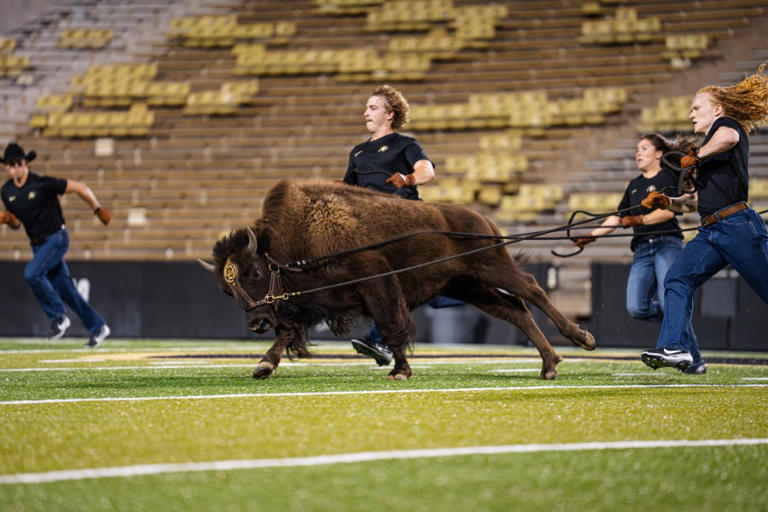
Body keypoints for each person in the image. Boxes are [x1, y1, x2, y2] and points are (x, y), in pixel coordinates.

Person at [640, 63, 768, 374]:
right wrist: (668, 201)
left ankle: (678, 347)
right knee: (677, 278)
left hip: (738, 227)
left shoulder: (726, 126)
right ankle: (677, 348)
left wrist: (698, 154)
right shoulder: (708, 150)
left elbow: (727, 137)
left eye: (697, 108)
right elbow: (698, 200)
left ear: (718, 109)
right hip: (712, 232)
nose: (690, 114)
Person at [342, 84, 452, 365]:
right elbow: (348, 191)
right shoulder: (357, 153)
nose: (366, 112)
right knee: (432, 290)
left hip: (403, 219)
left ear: (389, 114)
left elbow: (427, 170)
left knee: (392, 278)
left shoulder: (405, 144)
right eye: (366, 107)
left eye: (373, 107)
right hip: (371, 226)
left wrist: (408, 179)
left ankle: (380, 341)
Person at [0, 142, 113, 347]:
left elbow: (80, 187)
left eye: (19, 162)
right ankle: (98, 327)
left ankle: (59, 317)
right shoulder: (7, 192)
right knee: (67, 290)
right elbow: (17, 223)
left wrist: (97, 208)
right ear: (7, 167)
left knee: (32, 273)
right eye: (11, 164)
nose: (16, 167)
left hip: (56, 238)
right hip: (37, 244)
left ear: (27, 163)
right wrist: (9, 221)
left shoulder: (42, 184)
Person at [574, 134, 688, 323]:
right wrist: (591, 236)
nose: (638, 153)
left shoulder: (666, 178)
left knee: (669, 300)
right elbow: (617, 217)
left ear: (659, 154)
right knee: (637, 308)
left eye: (644, 148)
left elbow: (669, 212)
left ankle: (675, 322)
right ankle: (675, 317)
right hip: (642, 248)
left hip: (666, 242)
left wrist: (639, 219)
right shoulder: (634, 185)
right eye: (636, 150)